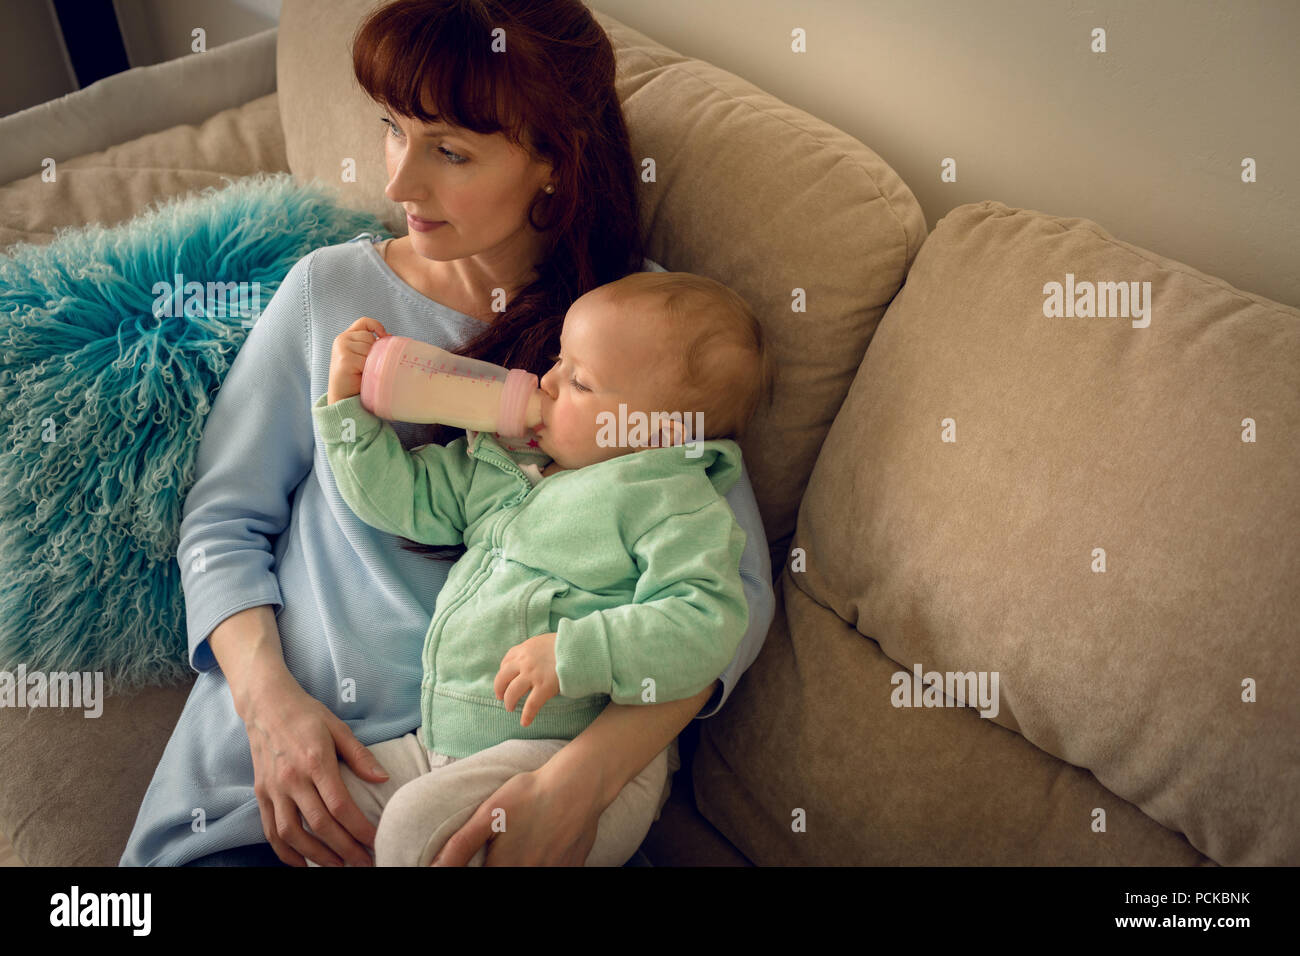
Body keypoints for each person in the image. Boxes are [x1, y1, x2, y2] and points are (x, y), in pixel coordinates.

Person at [120, 0, 775, 867]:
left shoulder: (635, 332)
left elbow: (729, 599)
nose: (398, 183)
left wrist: (578, 781)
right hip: (291, 778)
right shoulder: (330, 291)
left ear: (553, 162)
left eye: (450, 151)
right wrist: (267, 705)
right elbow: (220, 519)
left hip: (508, 776)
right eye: (393, 130)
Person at [308, 270, 772, 866]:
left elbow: (707, 620)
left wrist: (579, 652)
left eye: (580, 381)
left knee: (412, 828)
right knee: (329, 820)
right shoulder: (507, 464)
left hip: (567, 754)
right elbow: (404, 499)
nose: (548, 381)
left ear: (654, 433)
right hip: (448, 741)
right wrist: (349, 410)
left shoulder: (670, 499)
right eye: (559, 360)